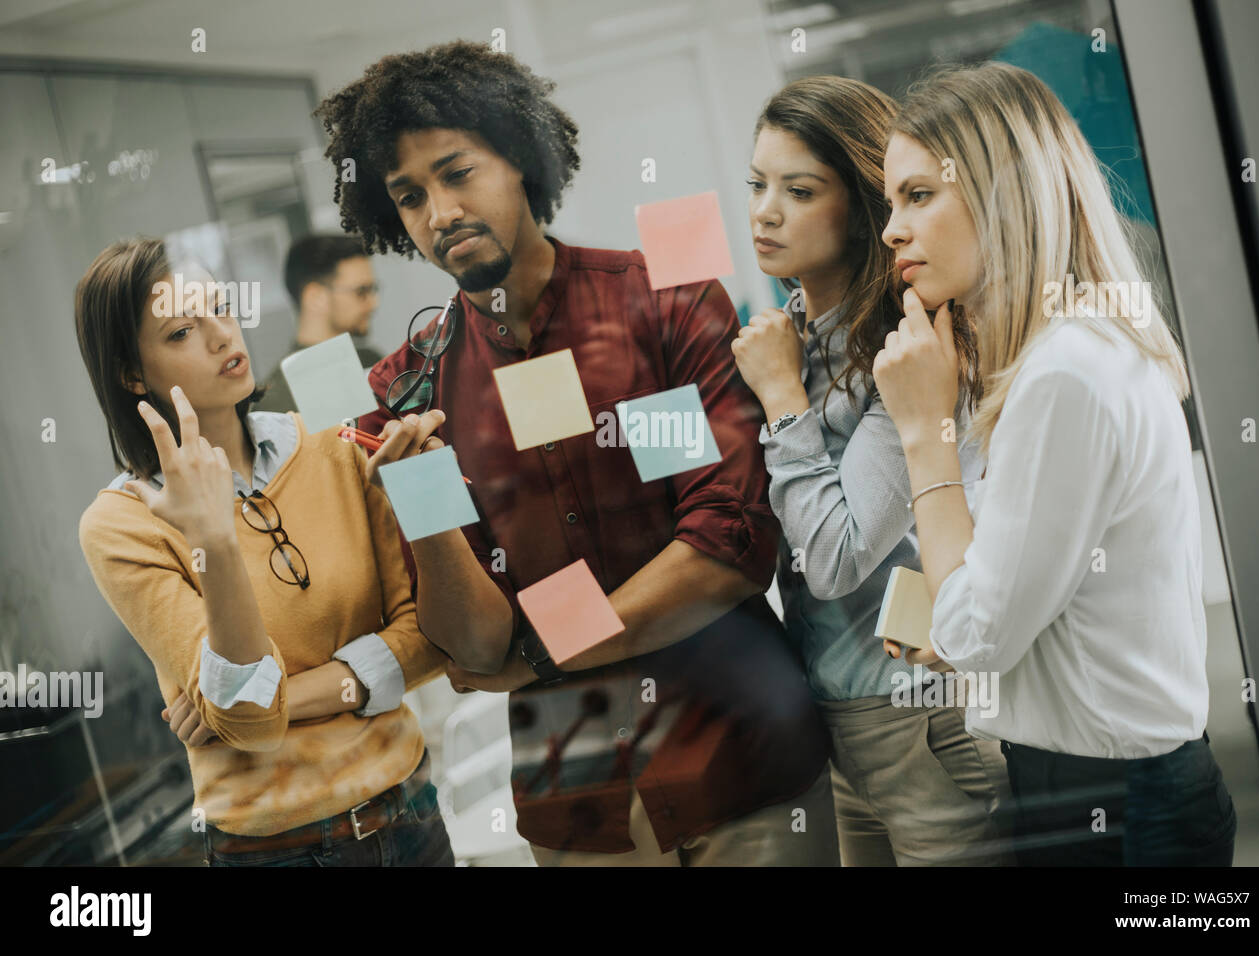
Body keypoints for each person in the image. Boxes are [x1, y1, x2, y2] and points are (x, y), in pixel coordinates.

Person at [317, 40, 839, 865]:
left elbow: (724, 546)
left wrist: (539, 652)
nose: (440, 211)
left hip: (740, 764)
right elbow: (474, 647)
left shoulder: (657, 309)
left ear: (521, 158)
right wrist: (419, 504)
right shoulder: (412, 392)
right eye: (409, 195)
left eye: (458, 173)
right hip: (578, 808)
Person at [871, 61, 1237, 866]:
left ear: (1004, 192)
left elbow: (975, 633)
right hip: (1111, 789)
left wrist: (925, 433)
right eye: (890, 203)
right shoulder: (1064, 352)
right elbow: (1018, 595)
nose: (892, 229)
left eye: (918, 195)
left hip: (1116, 806)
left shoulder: (1063, 372)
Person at [75, 237, 452, 867]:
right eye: (182, 333)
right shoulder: (122, 525)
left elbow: (427, 637)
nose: (224, 336)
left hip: (410, 812)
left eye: (222, 308)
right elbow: (249, 718)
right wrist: (215, 540)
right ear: (131, 374)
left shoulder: (334, 445)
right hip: (278, 850)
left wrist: (283, 700)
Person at [731, 76, 1010, 866]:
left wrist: (783, 401)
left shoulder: (908, 346)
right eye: (757, 184)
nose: (765, 210)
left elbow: (835, 558)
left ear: (861, 207)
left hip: (918, 712)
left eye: (800, 189)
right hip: (839, 716)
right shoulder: (789, 335)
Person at [255, 234, 386, 413]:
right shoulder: (277, 400)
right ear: (315, 297)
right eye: (361, 291)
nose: (374, 303)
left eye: (373, 289)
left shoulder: (372, 362)